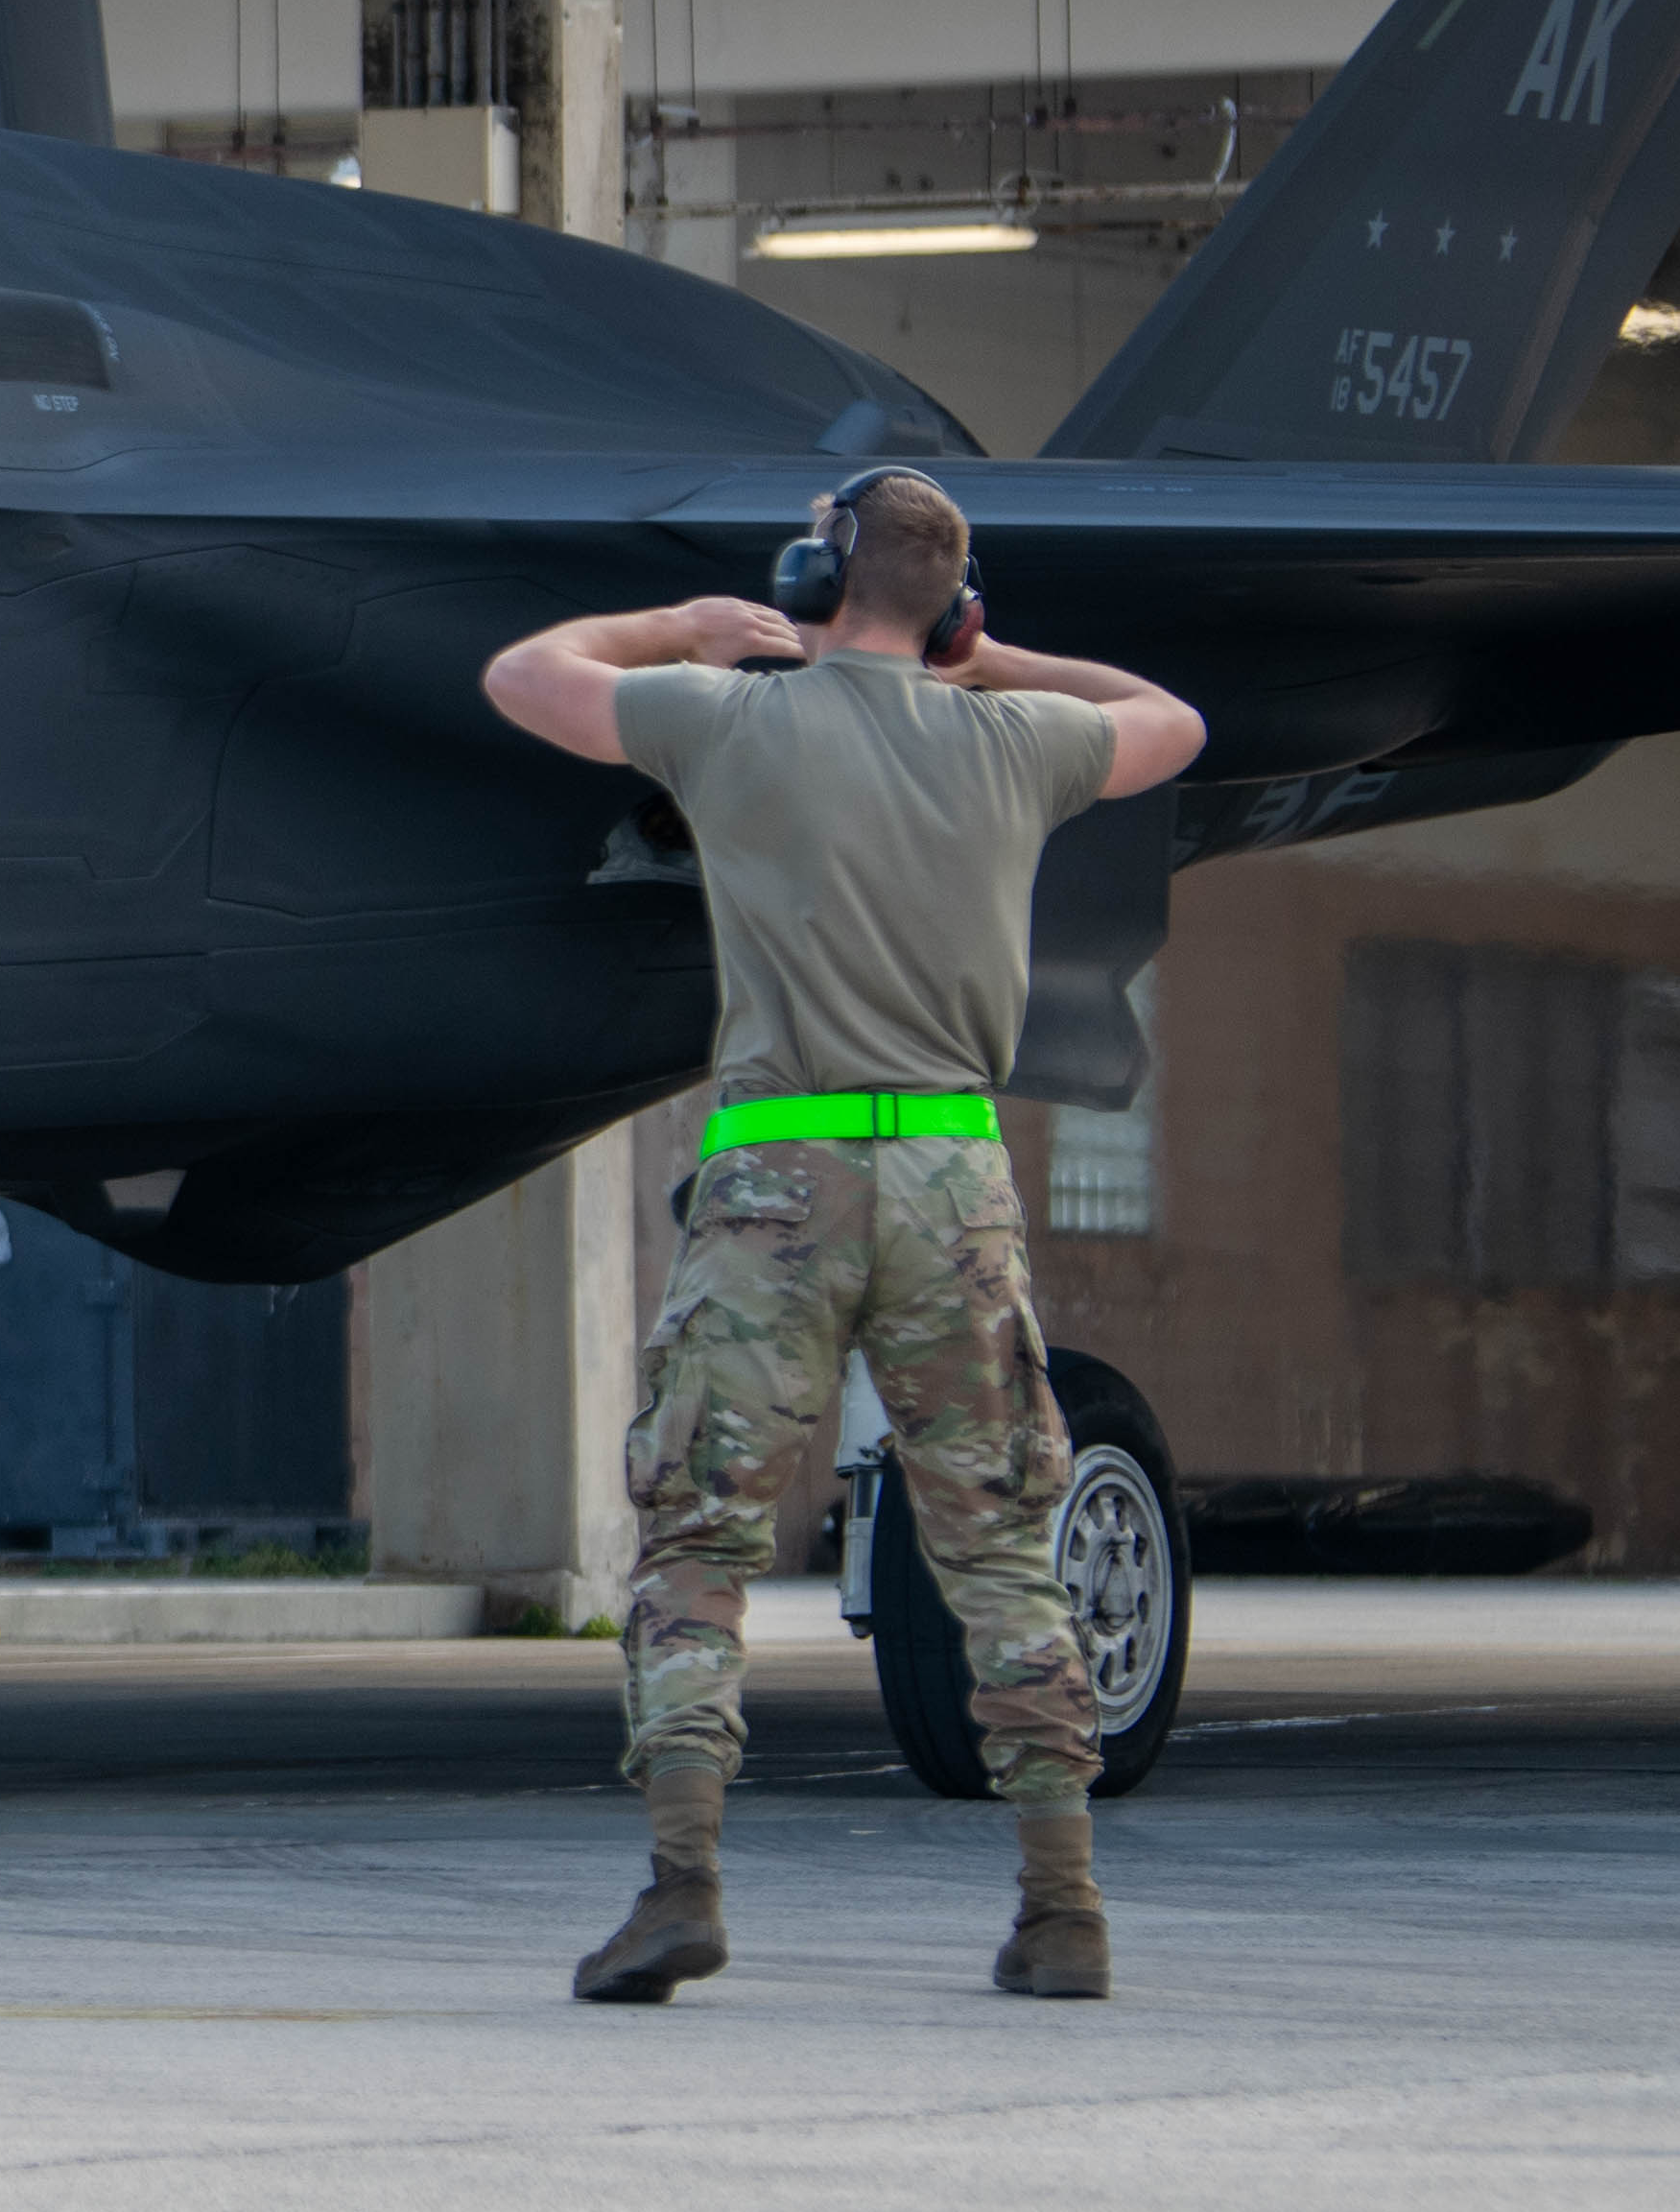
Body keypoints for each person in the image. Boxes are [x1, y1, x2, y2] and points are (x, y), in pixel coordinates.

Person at [478, 468, 1204, 2006]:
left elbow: (526, 675)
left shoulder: (725, 719)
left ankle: (681, 1884)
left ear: (815, 577)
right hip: (953, 1181)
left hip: (775, 1180)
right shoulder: (1020, 740)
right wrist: (984, 662)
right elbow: (1173, 719)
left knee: (699, 1540)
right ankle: (1061, 1907)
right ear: (954, 598)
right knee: (1003, 1544)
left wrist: (681, 623)